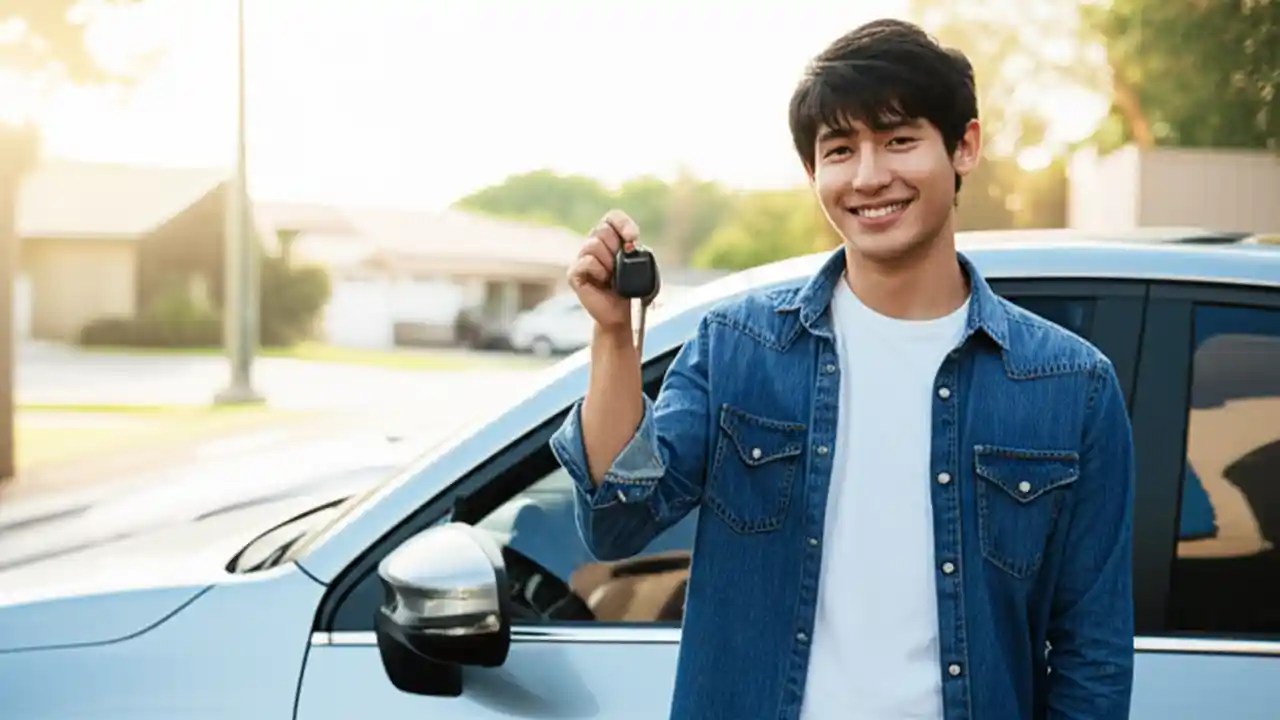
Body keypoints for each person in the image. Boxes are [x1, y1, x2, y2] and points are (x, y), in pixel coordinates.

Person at [549, 17, 1134, 720]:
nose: (868, 176)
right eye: (840, 149)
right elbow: (617, 520)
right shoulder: (739, 348)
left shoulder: (1071, 387)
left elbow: (1091, 656)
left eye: (898, 140)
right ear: (812, 171)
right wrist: (614, 337)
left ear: (964, 147)